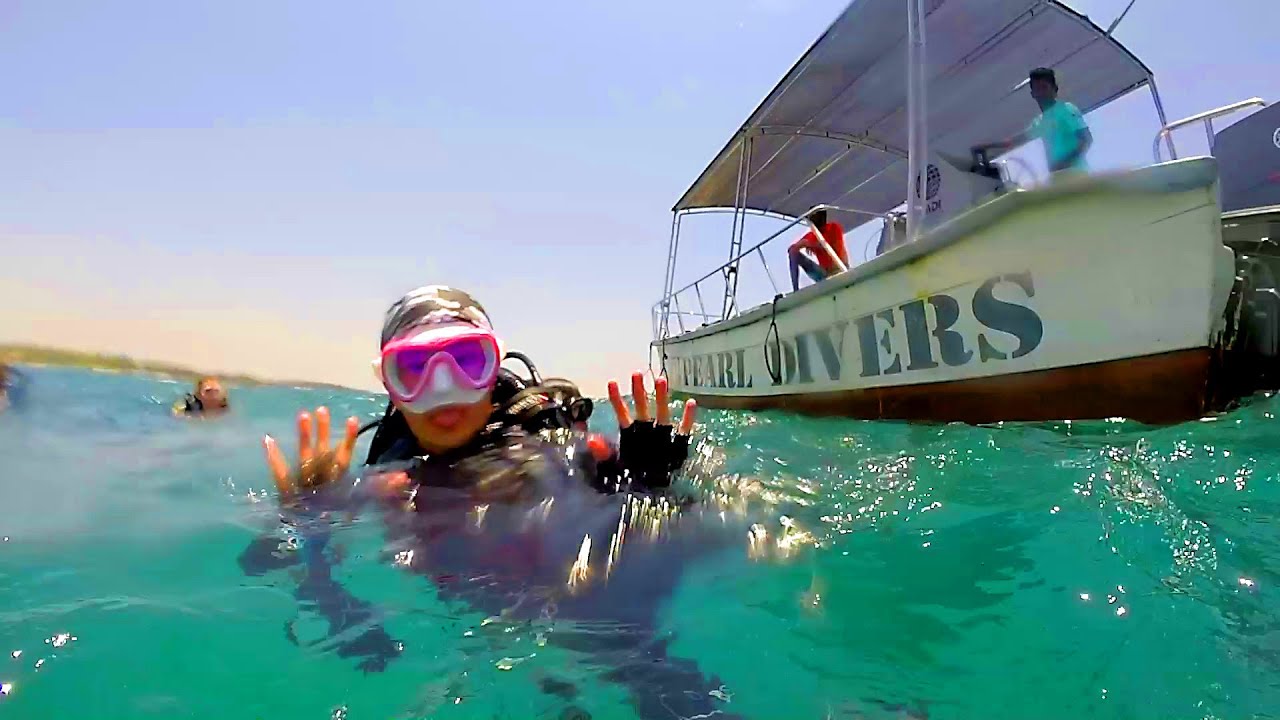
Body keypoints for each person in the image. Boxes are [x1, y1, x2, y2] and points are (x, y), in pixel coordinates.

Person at [240, 286, 737, 720]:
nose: (442, 389)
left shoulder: (568, 448)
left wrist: (653, 484)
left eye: (466, 361)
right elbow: (259, 567)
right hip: (492, 652)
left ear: (493, 366)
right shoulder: (390, 488)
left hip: (608, 626)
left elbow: (688, 518)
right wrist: (305, 513)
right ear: (391, 386)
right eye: (414, 368)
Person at [973, 67, 1093, 176]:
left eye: (1044, 88)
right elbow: (1015, 141)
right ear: (1032, 94)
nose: (1041, 93)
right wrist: (987, 146)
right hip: (1059, 179)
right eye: (1037, 89)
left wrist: (1064, 164)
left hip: (1078, 176)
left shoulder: (1066, 109)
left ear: (1054, 89)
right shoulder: (1039, 122)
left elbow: (1086, 139)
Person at [787, 208, 849, 292]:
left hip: (840, 270)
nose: (811, 219)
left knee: (837, 267)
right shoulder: (812, 235)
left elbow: (832, 248)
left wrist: (812, 245)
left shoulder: (834, 227)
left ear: (822, 216)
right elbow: (791, 249)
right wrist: (801, 244)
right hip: (824, 274)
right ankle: (795, 290)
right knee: (793, 253)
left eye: (813, 216)